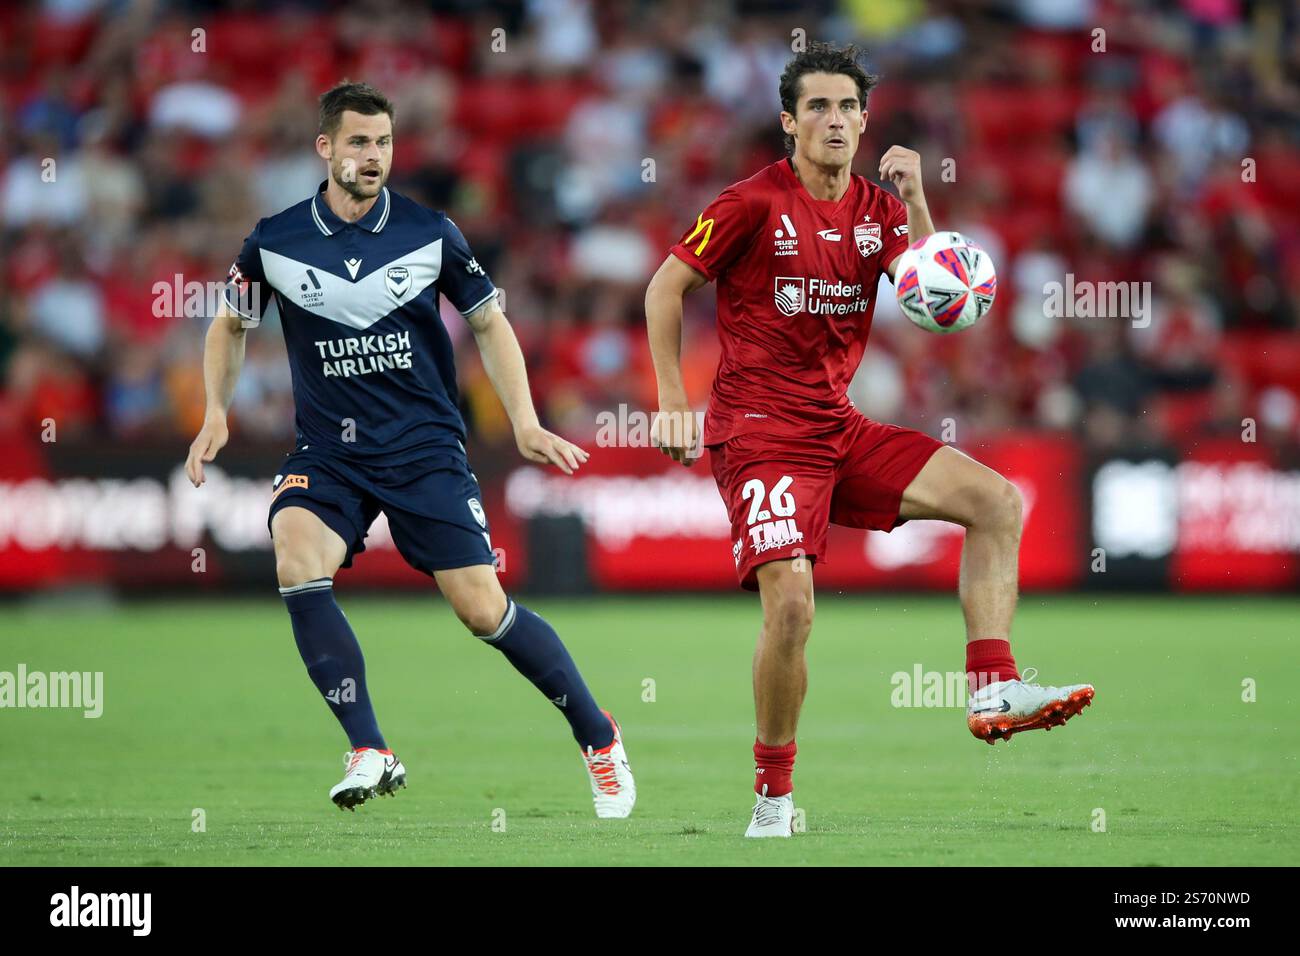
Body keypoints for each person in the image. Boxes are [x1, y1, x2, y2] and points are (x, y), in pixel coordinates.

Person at [644, 44, 1093, 838]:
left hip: (837, 428)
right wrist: (673, 400)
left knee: (995, 503)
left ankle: (991, 686)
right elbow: (665, 286)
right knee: (792, 608)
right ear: (789, 122)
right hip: (760, 434)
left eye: (848, 107)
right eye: (817, 107)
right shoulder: (750, 204)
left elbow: (938, 299)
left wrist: (917, 199)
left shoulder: (878, 211)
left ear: (864, 119)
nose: (835, 120)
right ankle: (774, 798)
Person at [185, 81, 634, 818]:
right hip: (328, 450)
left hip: (424, 447)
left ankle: (597, 733)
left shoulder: (431, 232)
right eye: (359, 142)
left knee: (483, 611)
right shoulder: (276, 240)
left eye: (384, 142)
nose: (373, 156)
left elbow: (490, 323)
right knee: (296, 558)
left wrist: (522, 420)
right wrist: (214, 413)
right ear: (326, 147)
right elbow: (229, 326)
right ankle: (369, 747)